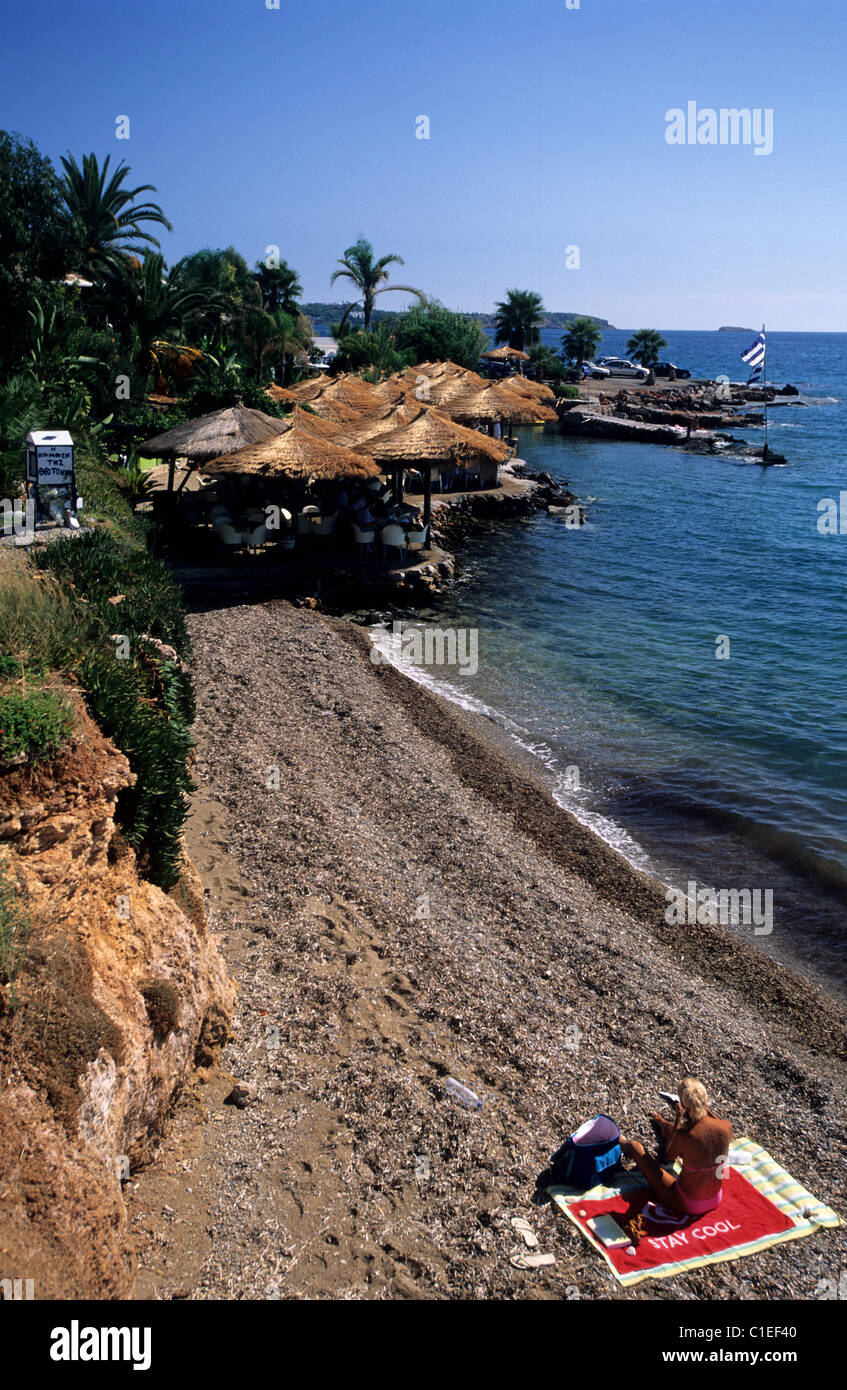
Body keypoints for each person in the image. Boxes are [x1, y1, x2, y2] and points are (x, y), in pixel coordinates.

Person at [620, 1078, 734, 1217]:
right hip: (716, 1198)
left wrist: (678, 1118)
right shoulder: (726, 1126)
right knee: (686, 1139)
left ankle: (614, 1136)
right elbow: (708, 1125)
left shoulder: (684, 1136)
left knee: (634, 1147)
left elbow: (668, 1156)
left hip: (688, 1203)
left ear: (684, 1104)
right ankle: (663, 1125)